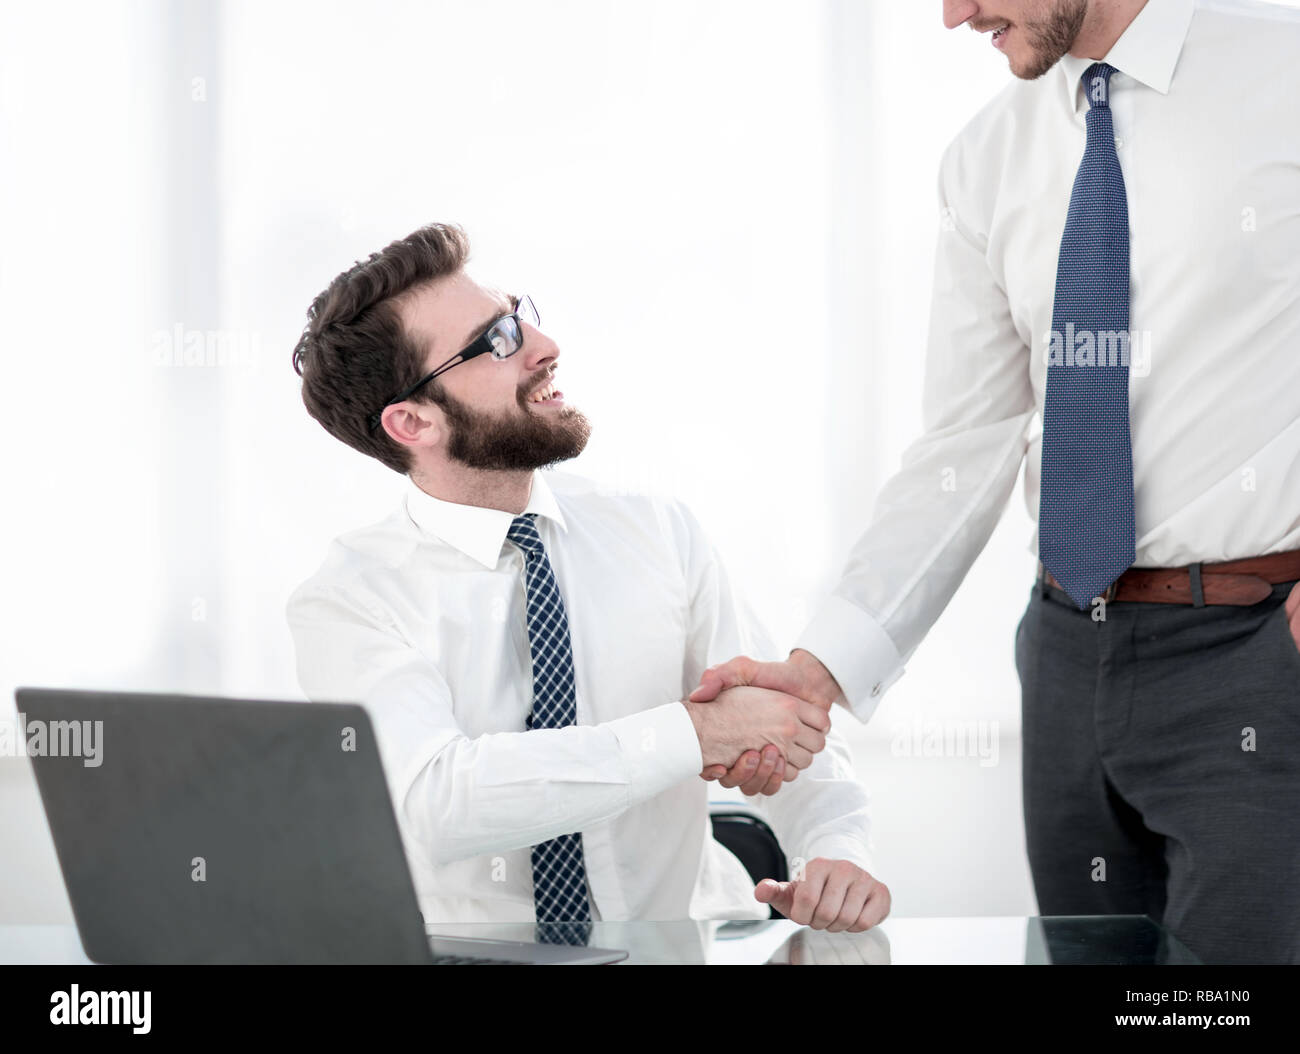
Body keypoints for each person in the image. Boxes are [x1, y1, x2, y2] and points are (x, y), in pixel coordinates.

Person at [696, 0, 1300, 964]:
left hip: (1257, 652)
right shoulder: (986, 159)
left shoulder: (1286, 70)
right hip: (1066, 654)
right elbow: (965, 443)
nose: (951, 15)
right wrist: (822, 668)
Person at [285, 223, 890, 932]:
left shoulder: (658, 533)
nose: (544, 348)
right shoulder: (350, 599)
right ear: (413, 421)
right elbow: (439, 804)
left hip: (680, 948)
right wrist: (691, 734)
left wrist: (837, 848)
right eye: (497, 342)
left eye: (520, 317)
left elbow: (781, 730)